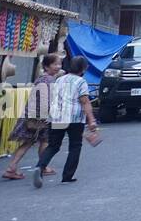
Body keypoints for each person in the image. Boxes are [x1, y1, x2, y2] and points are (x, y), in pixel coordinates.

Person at [33, 56, 98, 187]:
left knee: (53, 146)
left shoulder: (59, 80)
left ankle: (40, 167)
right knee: (75, 146)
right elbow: (84, 101)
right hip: (74, 118)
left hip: (57, 116)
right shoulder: (81, 82)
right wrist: (91, 120)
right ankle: (67, 176)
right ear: (83, 68)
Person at [1, 53, 62, 181]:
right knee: (43, 142)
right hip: (39, 118)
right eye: (55, 64)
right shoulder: (47, 80)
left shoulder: (44, 79)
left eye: (59, 64)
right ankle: (41, 167)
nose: (58, 66)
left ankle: (12, 168)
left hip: (34, 116)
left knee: (31, 142)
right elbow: (45, 100)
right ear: (46, 66)